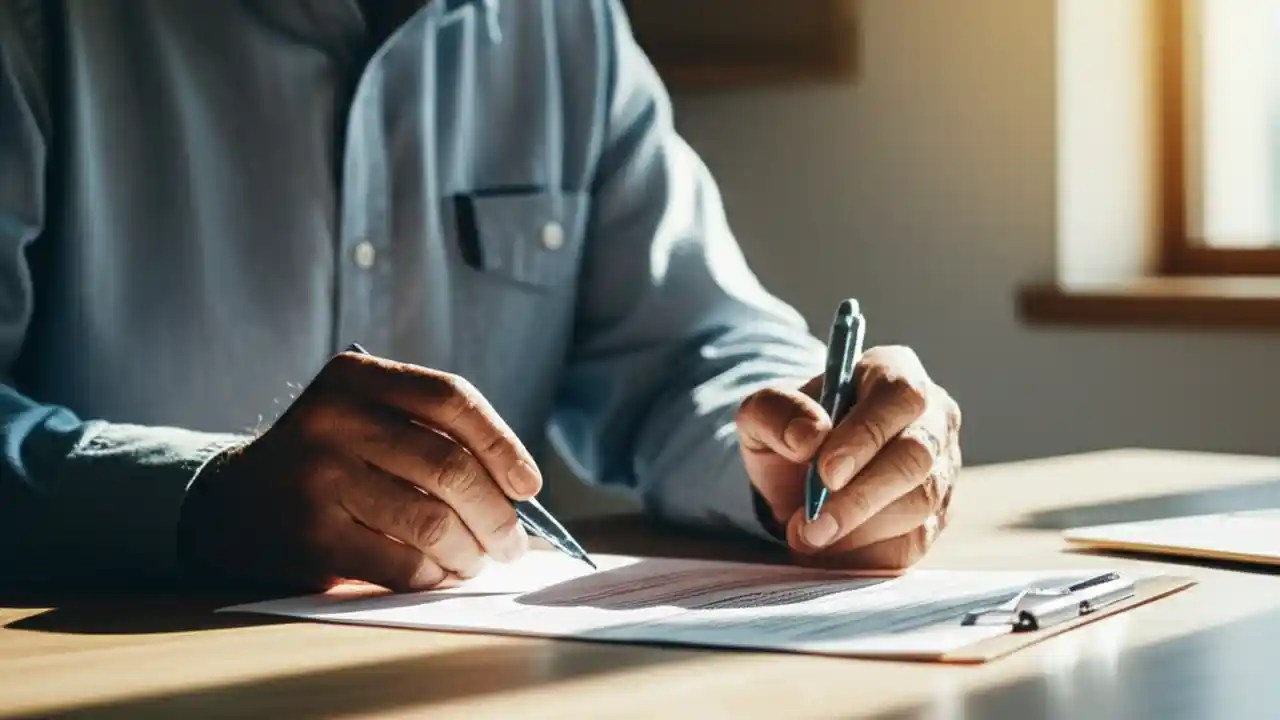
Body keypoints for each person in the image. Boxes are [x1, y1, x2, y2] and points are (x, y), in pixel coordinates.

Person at [0, 0, 961, 591]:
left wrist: (799, 449)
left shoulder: (565, 23)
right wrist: (202, 497)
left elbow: (692, 346)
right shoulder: (44, 25)